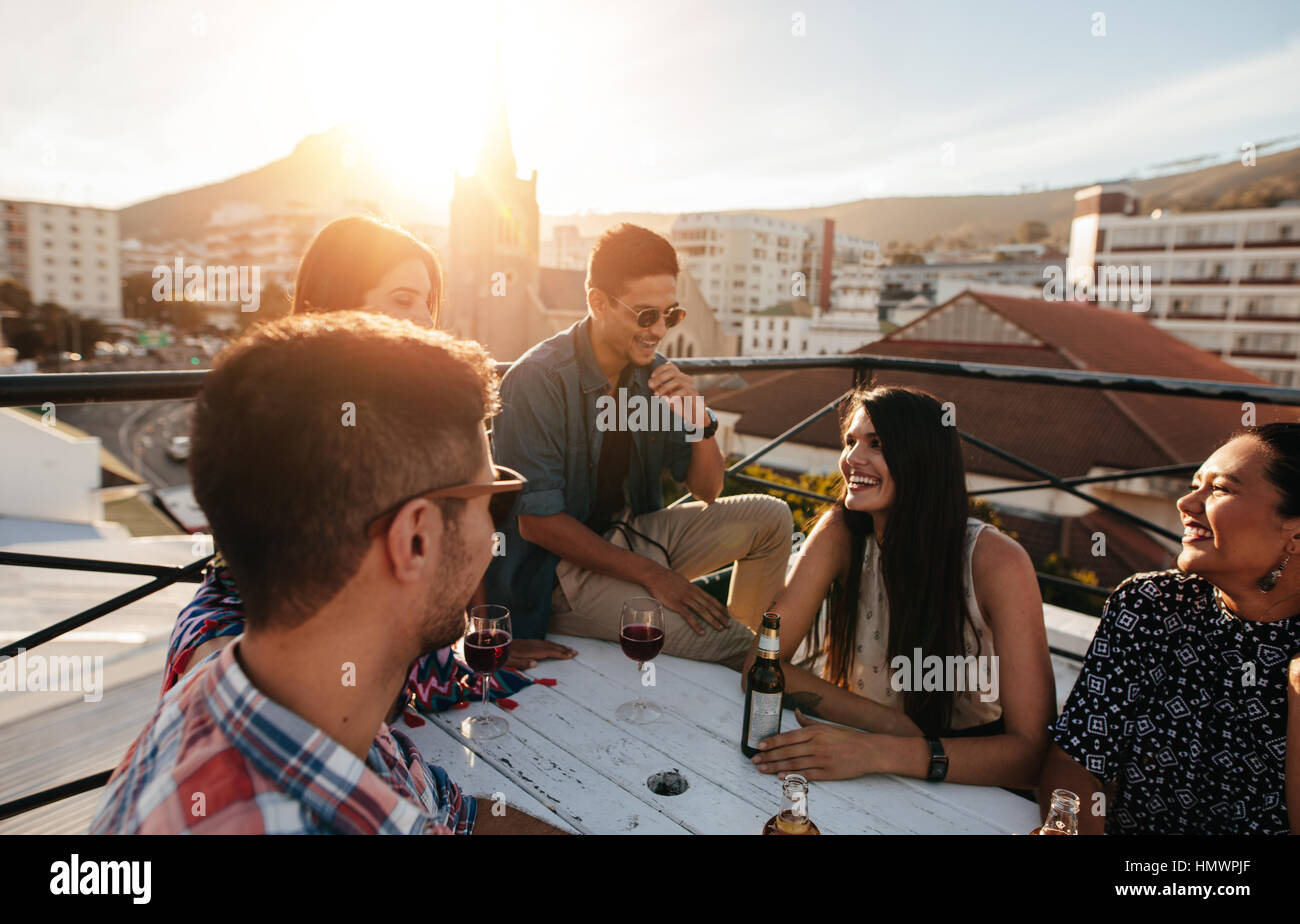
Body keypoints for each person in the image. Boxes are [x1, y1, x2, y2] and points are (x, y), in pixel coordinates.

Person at [92, 312, 566, 834]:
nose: (492, 532)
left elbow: (458, 819)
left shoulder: (298, 702)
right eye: (493, 498)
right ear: (416, 539)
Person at [162, 215, 572, 695]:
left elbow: (456, 528)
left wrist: (476, 641)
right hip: (266, 628)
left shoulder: (414, 413)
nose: (424, 319)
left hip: (394, 644)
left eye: (428, 302)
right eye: (402, 299)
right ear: (332, 308)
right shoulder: (274, 415)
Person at [485, 223, 792, 667]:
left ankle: (739, 675)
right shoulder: (538, 380)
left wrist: (699, 424)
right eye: (646, 315)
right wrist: (657, 578)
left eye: (672, 314)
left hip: (630, 538)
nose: (660, 330)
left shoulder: (655, 374)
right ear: (598, 302)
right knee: (733, 643)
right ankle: (748, 670)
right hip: (557, 573)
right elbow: (538, 524)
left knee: (772, 518)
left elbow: (707, 491)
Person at [747, 385, 1054, 788]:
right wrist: (883, 722)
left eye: (876, 444)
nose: (852, 459)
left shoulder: (996, 560)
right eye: (850, 441)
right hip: (854, 747)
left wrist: (879, 751)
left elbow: (1033, 753)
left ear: (923, 457)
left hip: (966, 771)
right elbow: (761, 664)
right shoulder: (841, 532)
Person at [1040, 423, 1300, 834]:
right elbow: (1076, 762)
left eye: (1220, 489)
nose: (1187, 502)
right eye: (1195, 483)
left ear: (1295, 531)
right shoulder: (1151, 606)